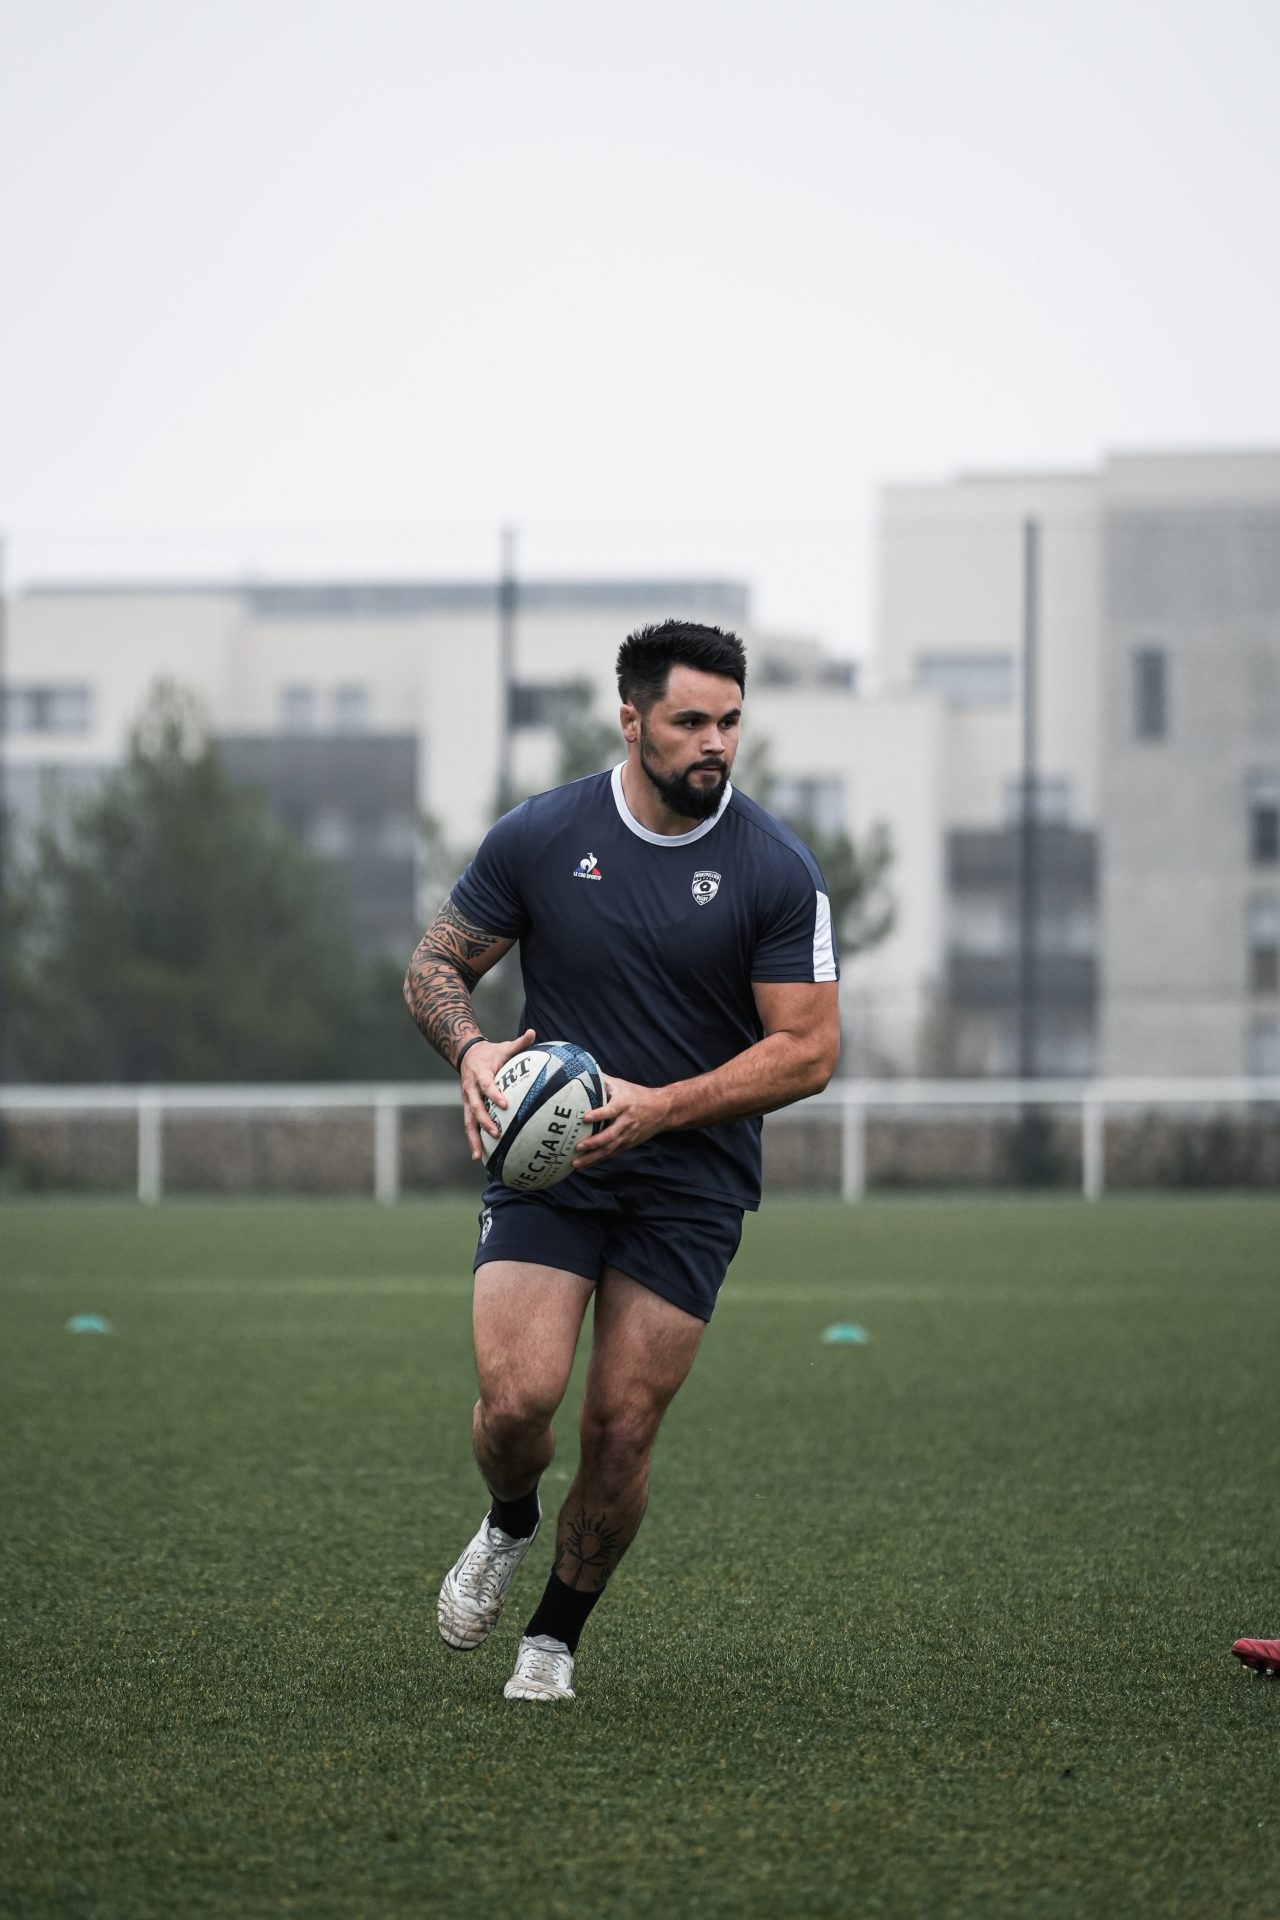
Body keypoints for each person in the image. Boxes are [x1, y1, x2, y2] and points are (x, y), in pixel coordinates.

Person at [403, 618, 841, 1703]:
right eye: (690, 720)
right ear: (632, 718)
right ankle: (508, 1521)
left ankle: (553, 1637)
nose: (714, 744)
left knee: (620, 1425)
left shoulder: (776, 867)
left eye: (730, 722)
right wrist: (470, 1049)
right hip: (551, 1162)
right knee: (516, 1405)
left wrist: (663, 1110)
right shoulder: (543, 834)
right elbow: (433, 967)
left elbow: (810, 1049)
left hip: (688, 1180)